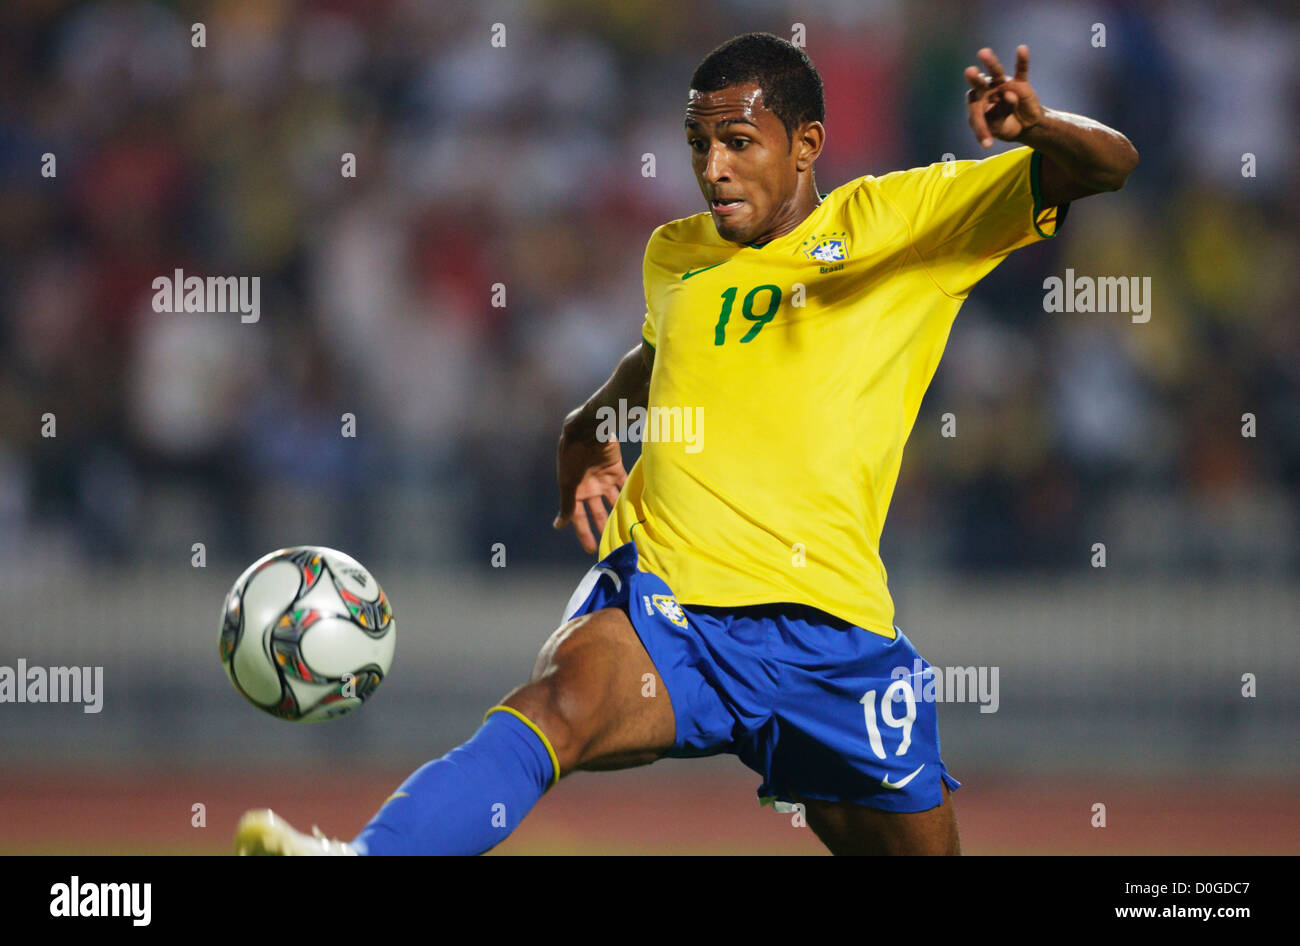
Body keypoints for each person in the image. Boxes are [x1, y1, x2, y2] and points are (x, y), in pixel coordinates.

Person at [236, 32, 1136, 856]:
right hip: (676, 602)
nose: (713, 167)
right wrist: (589, 425)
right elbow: (660, 357)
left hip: (835, 631)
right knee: (560, 703)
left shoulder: (905, 222)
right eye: (699, 143)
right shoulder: (676, 253)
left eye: (739, 142)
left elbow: (1111, 167)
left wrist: (1044, 127)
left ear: (806, 145)